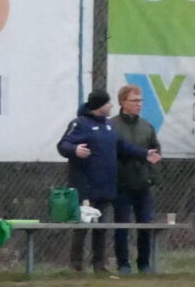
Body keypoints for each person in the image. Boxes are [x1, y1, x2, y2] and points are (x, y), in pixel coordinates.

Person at [55, 89, 135, 275]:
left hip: (105, 185)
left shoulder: (109, 126)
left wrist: (145, 153)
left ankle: (99, 264)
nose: (111, 106)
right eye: (108, 103)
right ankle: (76, 264)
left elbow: (123, 146)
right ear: (100, 106)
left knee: (101, 226)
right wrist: (74, 150)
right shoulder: (80, 123)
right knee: (82, 226)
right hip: (85, 186)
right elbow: (63, 145)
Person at [113, 87, 160, 272]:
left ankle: (144, 263)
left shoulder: (147, 127)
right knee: (122, 226)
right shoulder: (113, 126)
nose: (139, 104)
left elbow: (156, 154)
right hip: (122, 184)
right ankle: (123, 263)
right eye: (134, 101)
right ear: (123, 102)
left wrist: (153, 178)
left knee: (145, 225)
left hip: (143, 184)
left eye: (140, 101)